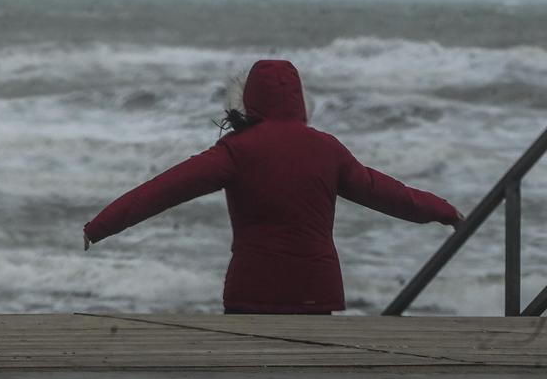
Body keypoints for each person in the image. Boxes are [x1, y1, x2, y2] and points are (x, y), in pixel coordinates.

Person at [82, 59, 463, 314]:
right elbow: (388, 194)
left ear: (251, 99)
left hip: (253, 290)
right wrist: (443, 210)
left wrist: (100, 226)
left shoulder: (236, 150)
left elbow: (163, 189)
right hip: (316, 290)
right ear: (298, 97)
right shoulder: (327, 149)